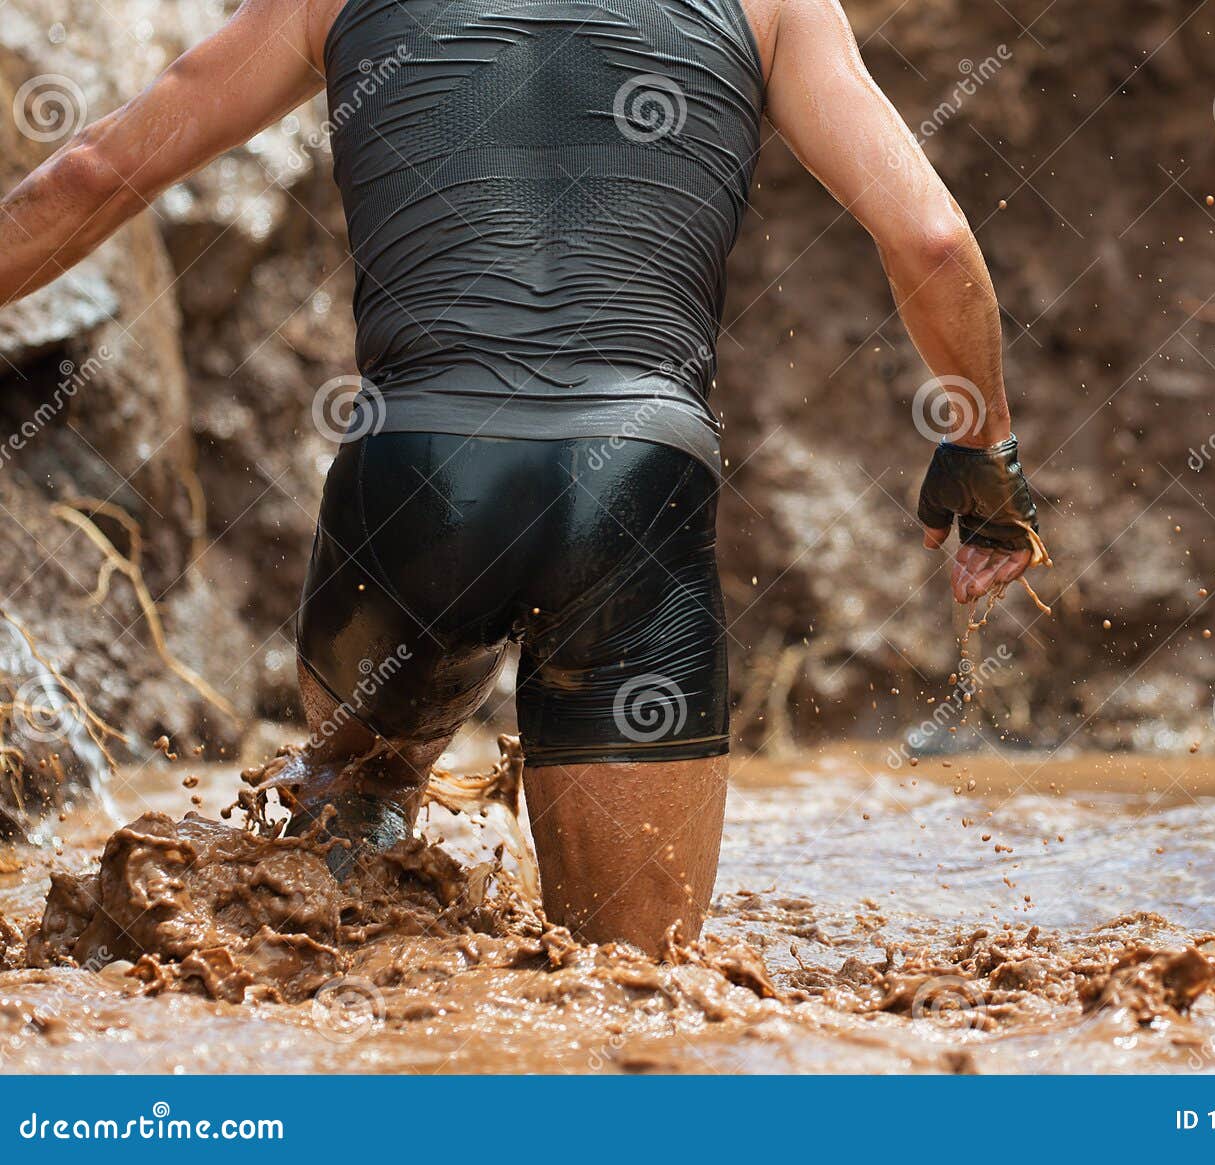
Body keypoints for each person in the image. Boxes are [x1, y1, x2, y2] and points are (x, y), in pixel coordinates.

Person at [0, 0, 1040, 955]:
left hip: (412, 480)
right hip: (636, 487)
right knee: (637, 988)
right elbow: (932, 239)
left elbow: (89, 175)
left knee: (322, 923)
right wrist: (982, 447)